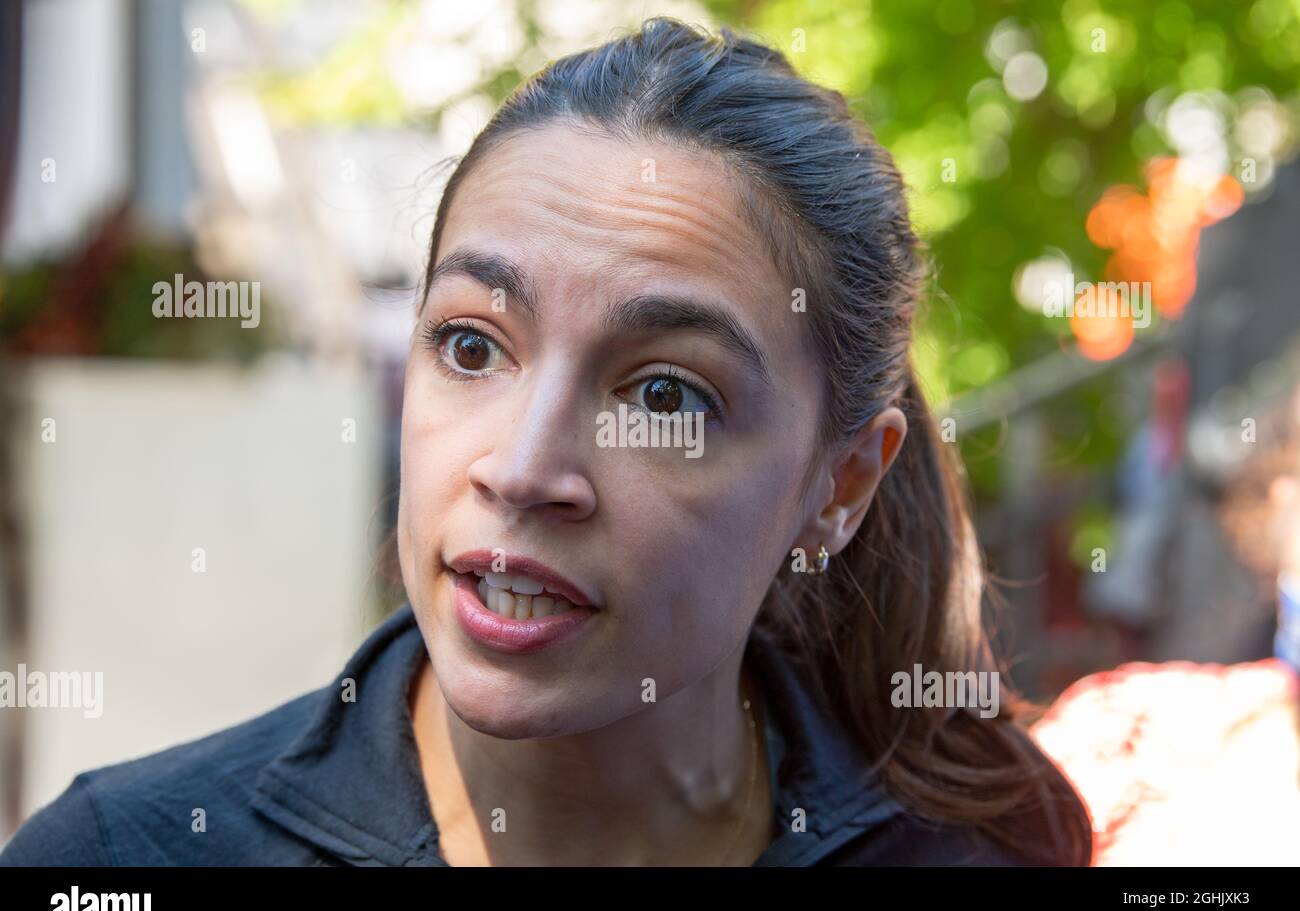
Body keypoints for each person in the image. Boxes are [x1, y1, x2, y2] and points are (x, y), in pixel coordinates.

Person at [1, 17, 1091, 867]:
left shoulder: (978, 855)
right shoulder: (121, 861)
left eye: (664, 393)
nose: (520, 468)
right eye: (471, 346)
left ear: (840, 483)